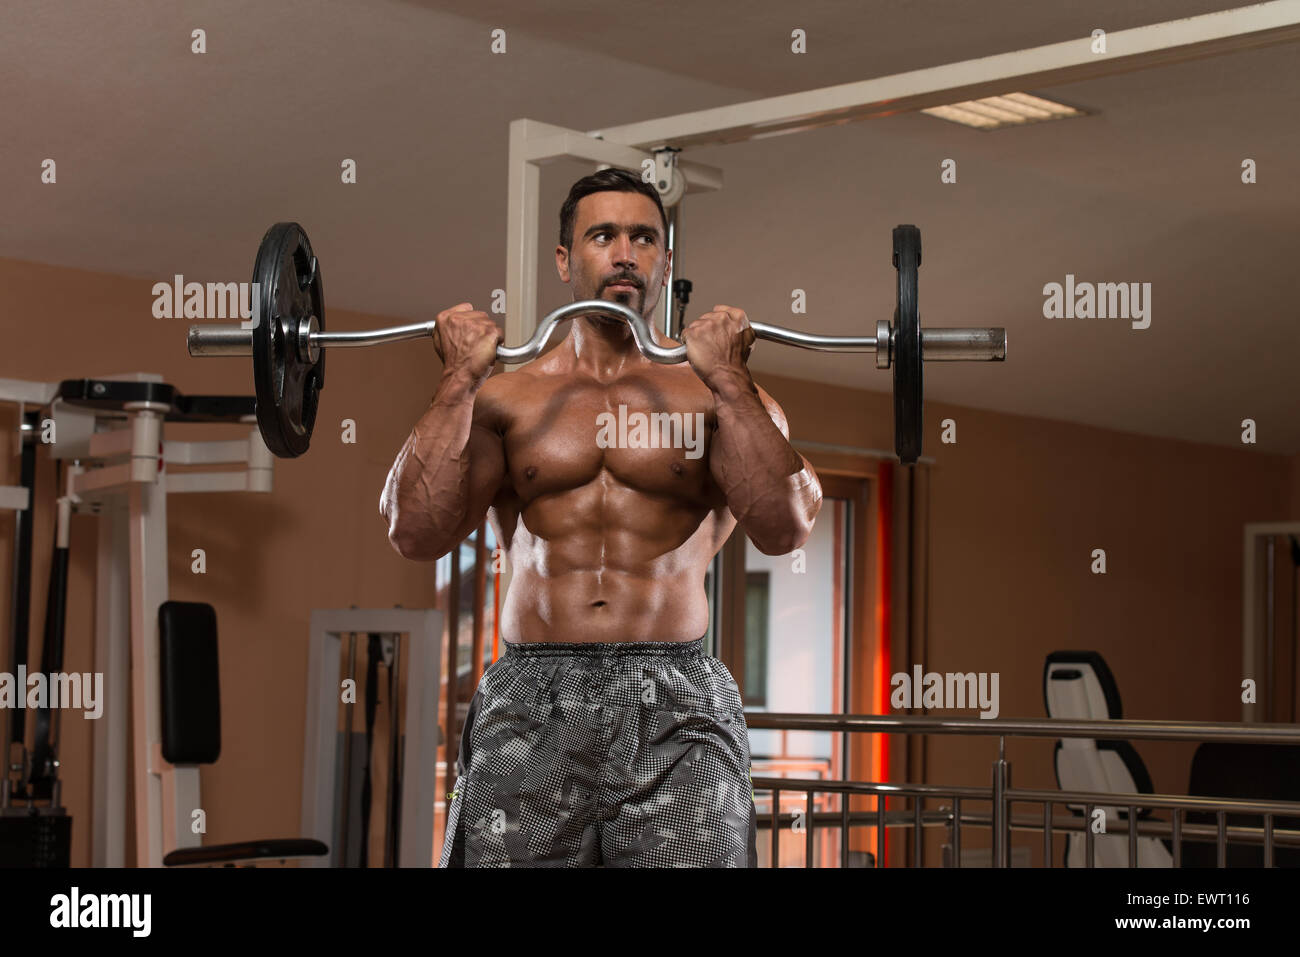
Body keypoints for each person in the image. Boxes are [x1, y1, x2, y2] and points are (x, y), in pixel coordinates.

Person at [381, 167, 822, 867]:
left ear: (665, 259)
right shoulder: (506, 398)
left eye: (644, 237)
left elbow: (784, 526)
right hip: (533, 694)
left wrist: (730, 378)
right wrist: (457, 380)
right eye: (603, 235)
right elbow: (415, 530)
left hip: (676, 695)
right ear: (566, 259)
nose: (625, 253)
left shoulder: (716, 397)